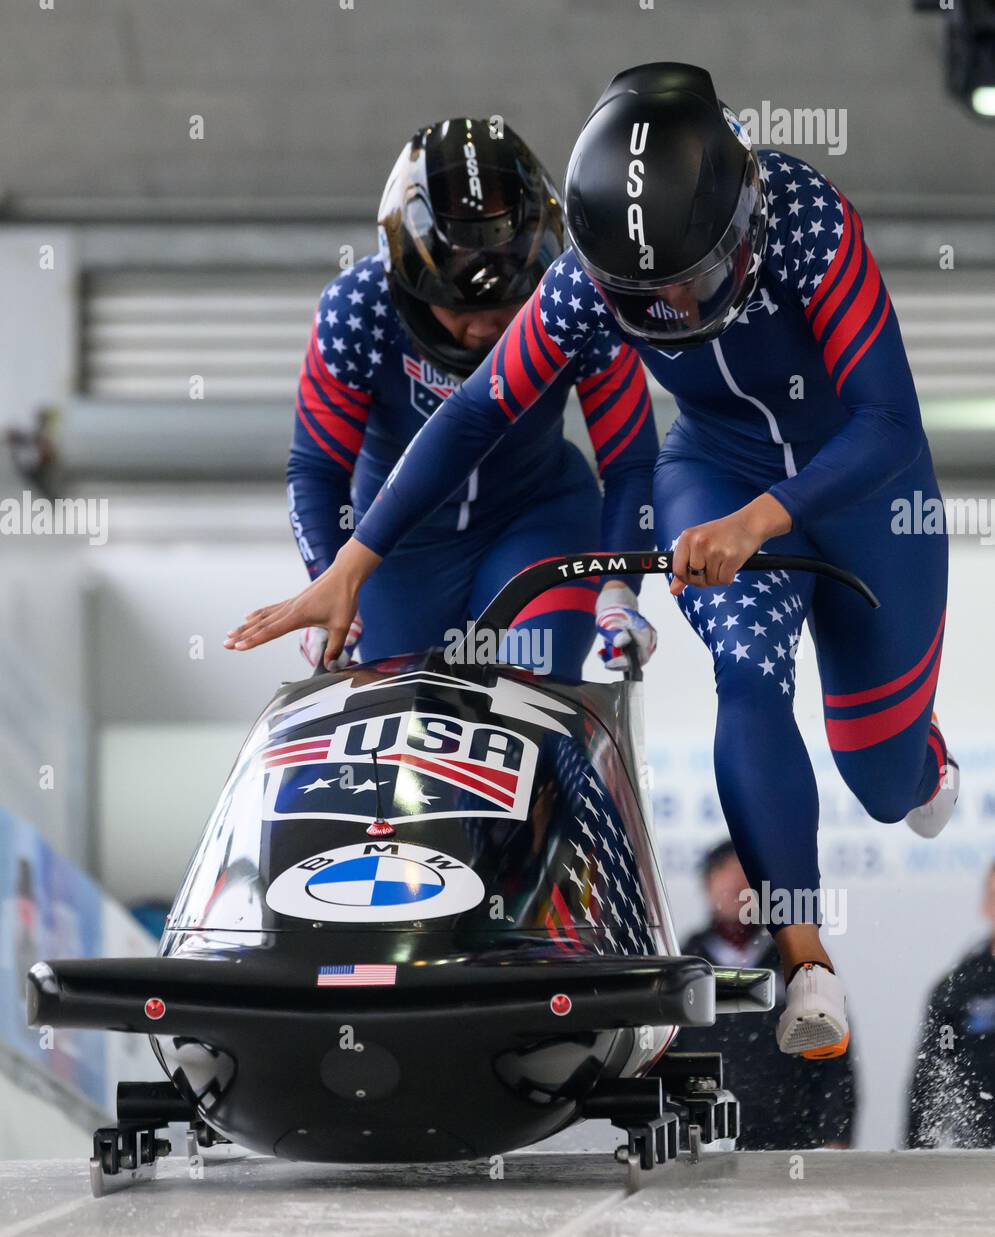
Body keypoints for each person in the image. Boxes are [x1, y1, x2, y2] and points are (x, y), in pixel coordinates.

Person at [227, 64, 959, 1058]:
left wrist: (755, 521)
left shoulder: (809, 224)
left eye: (685, 285)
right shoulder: (578, 286)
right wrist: (355, 556)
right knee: (747, 669)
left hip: (863, 490)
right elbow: (478, 409)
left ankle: (922, 758)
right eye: (635, 296)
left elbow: (883, 420)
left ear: (738, 232)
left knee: (882, 782)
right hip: (714, 467)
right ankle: (803, 963)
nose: (660, 310)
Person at [282, 116, 660, 681]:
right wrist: (330, 575)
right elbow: (316, 468)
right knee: (408, 726)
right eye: (461, 310)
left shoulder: (581, 300)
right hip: (400, 551)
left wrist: (617, 589)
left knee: (532, 691)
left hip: (537, 523)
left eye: (509, 308)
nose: (487, 331)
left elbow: (631, 461)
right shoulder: (355, 311)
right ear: (410, 285)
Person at [675, 841, 856, 1148]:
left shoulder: (799, 960)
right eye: (724, 873)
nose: (736, 884)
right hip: (699, 1147)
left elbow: (835, 1059)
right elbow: (659, 1057)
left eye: (747, 874)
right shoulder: (680, 967)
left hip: (794, 1146)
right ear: (707, 886)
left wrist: (835, 1136)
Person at [906, 861, 995, 1149]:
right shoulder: (956, 989)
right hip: (979, 1149)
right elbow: (933, 1067)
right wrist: (917, 1150)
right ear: (985, 906)